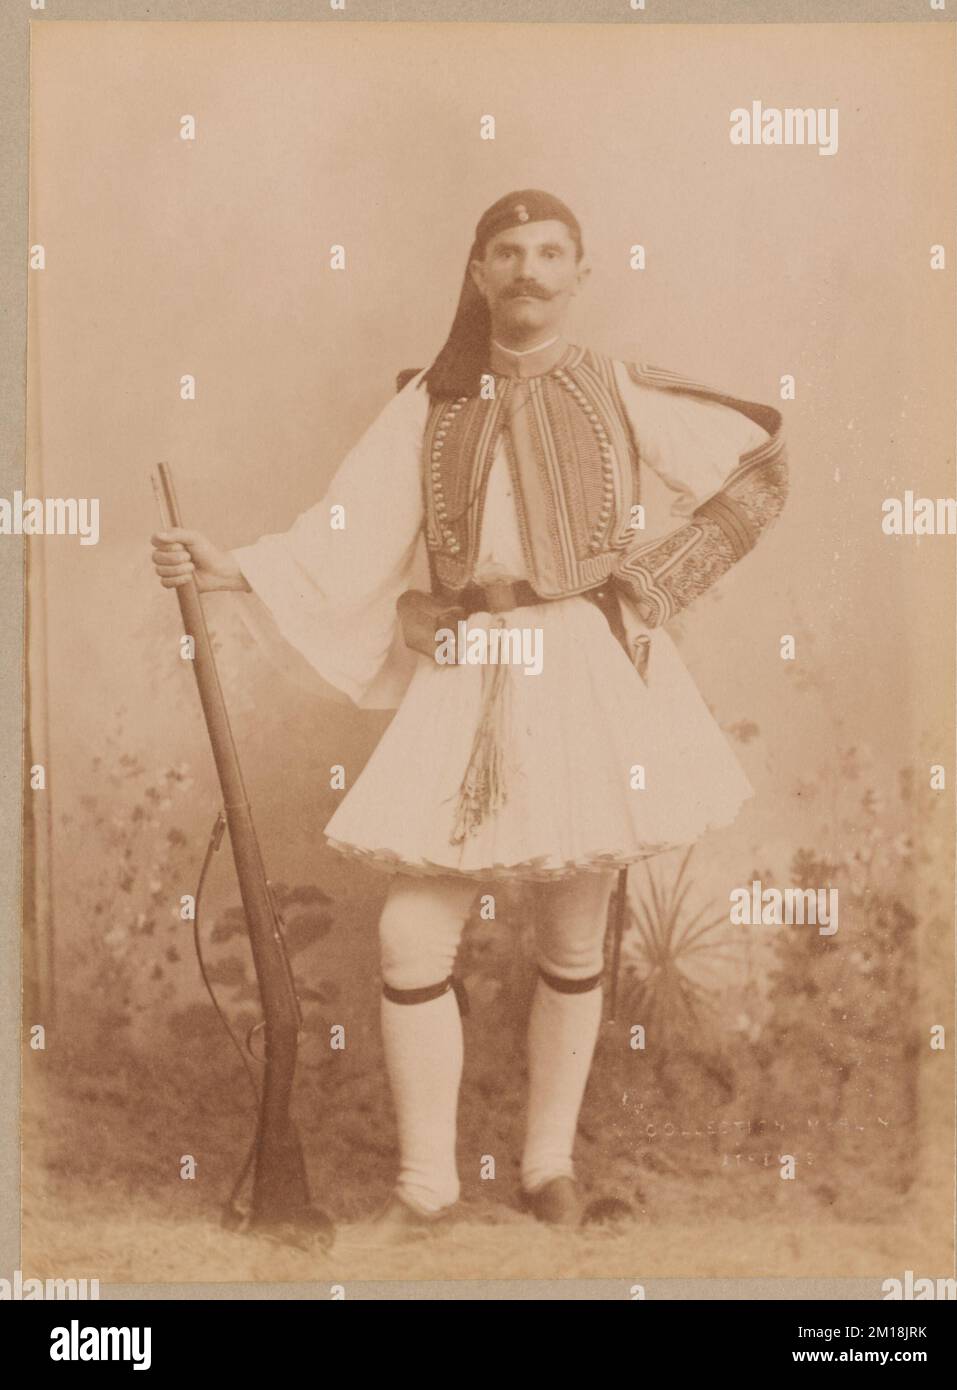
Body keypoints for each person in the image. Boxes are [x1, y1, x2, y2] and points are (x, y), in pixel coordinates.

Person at [150, 190, 787, 1235]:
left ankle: (547, 1170)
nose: (528, 271)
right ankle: (424, 1190)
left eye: (549, 253)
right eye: (507, 253)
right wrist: (228, 572)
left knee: (575, 931)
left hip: (583, 667)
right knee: (411, 935)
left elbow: (757, 470)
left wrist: (648, 587)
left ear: (580, 273)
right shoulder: (431, 402)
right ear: (478, 272)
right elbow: (344, 531)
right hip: (466, 671)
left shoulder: (619, 390)